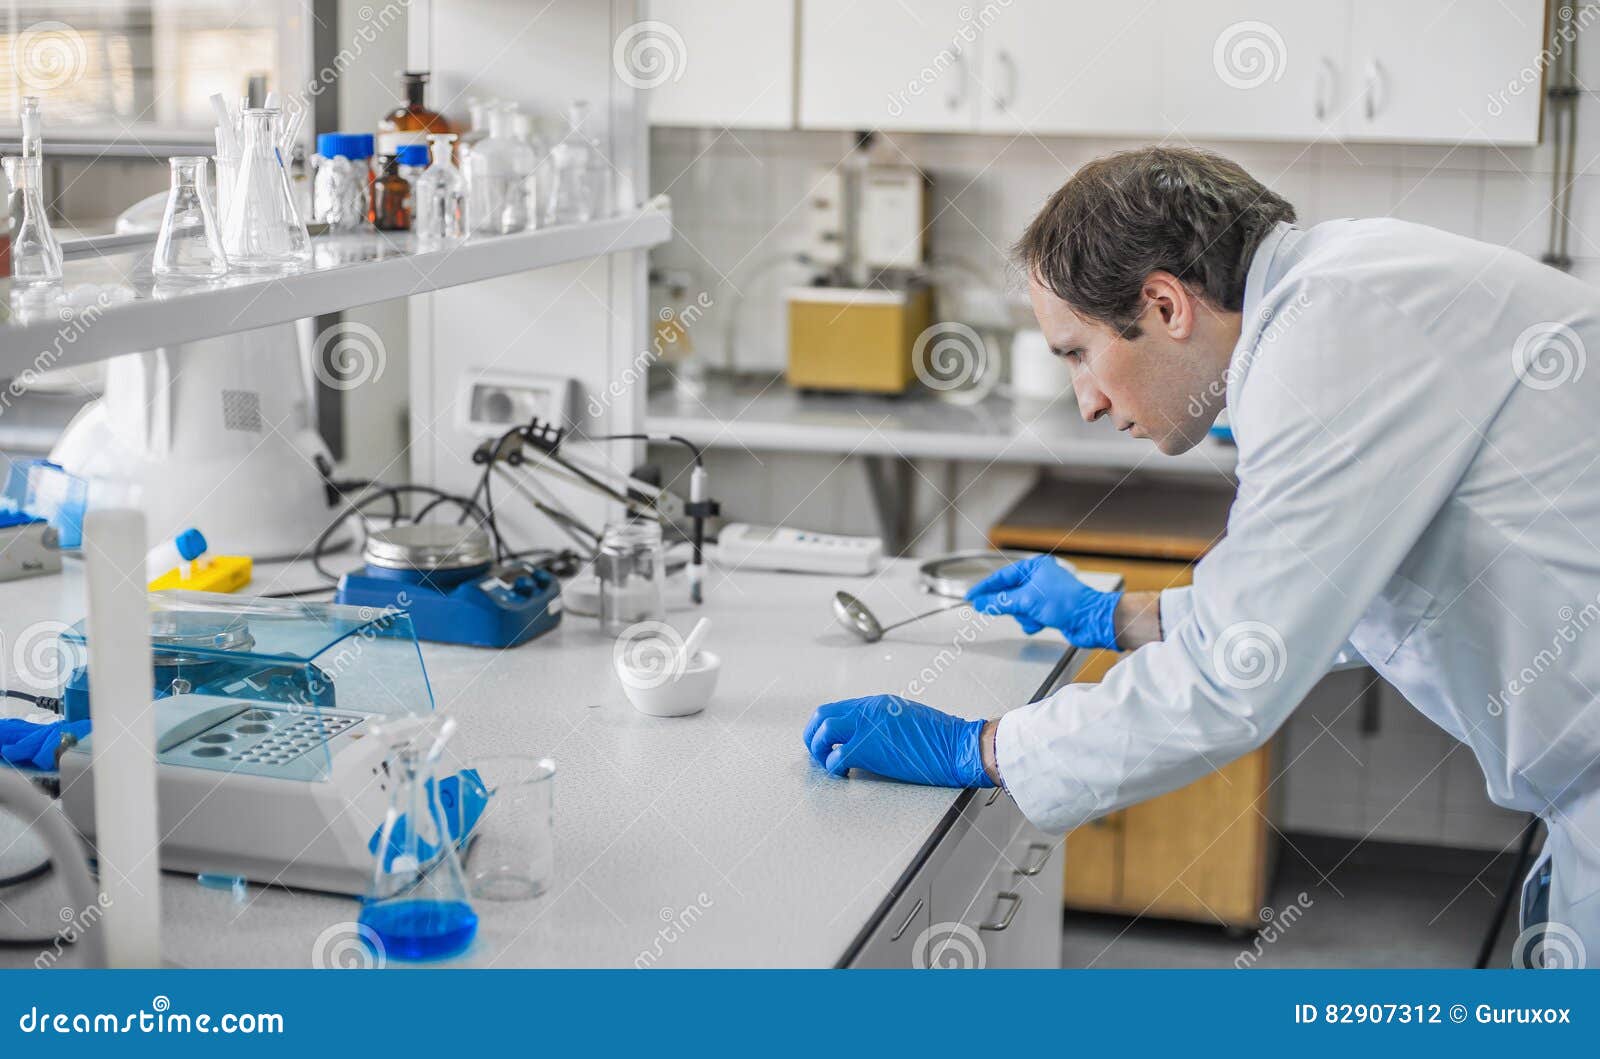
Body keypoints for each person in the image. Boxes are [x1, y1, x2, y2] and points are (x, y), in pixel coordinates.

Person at [802, 146, 1600, 965]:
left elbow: (1233, 679)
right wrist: (1124, 615)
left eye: (1078, 352)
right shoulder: (1335, 298)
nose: (1087, 401)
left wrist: (978, 747)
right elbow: (1328, 591)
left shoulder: (1333, 334)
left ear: (1163, 304)